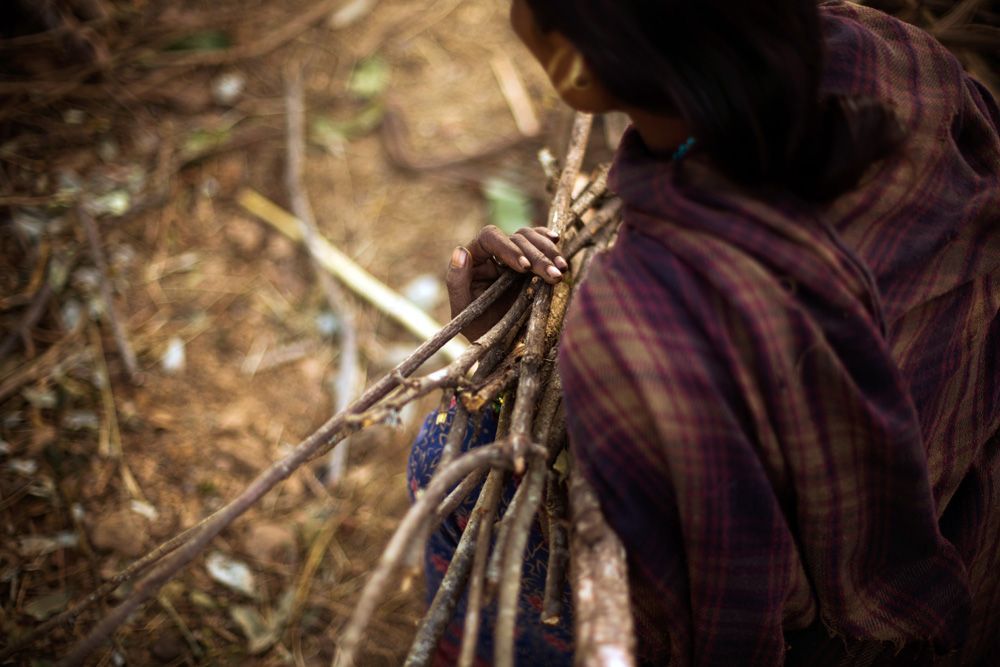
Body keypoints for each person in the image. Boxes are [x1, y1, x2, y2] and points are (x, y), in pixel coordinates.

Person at [408, 0, 1000, 664]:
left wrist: (521, 356)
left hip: (857, 635)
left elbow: (713, 607)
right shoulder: (897, 55)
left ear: (575, 70)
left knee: (445, 455)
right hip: (970, 514)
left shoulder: (638, 318)